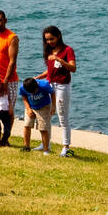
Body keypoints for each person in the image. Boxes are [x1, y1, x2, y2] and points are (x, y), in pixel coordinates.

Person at [43, 25, 77, 157]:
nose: (49, 42)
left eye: (51, 39)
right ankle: (46, 143)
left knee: (63, 116)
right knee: (46, 114)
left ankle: (66, 146)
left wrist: (59, 59)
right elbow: (51, 70)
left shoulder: (68, 50)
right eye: (47, 40)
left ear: (58, 36)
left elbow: (73, 68)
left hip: (62, 86)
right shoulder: (49, 51)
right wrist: (39, 77)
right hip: (49, 84)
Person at [19, 75, 55, 153]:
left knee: (43, 128)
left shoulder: (44, 85)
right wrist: (28, 109)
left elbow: (52, 93)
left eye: (33, 91)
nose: (32, 93)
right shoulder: (23, 87)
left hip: (44, 107)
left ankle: (46, 150)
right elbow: (24, 97)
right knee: (27, 125)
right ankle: (26, 146)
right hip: (31, 107)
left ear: (37, 86)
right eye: (30, 92)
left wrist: (53, 107)